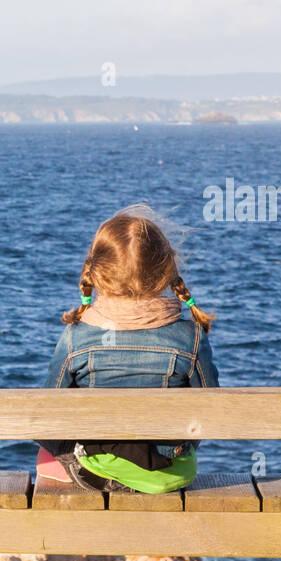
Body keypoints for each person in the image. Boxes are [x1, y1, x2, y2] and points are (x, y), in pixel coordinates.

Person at [37, 205, 219, 494]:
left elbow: (48, 409)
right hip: (169, 472)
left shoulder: (76, 335)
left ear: (96, 272)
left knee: (47, 455)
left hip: (95, 470)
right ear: (164, 271)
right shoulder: (191, 336)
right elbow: (212, 406)